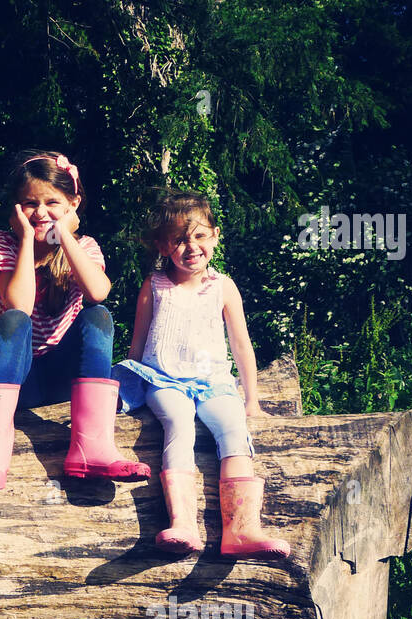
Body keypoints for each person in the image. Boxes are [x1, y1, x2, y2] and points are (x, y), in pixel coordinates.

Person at [116, 189, 290, 559]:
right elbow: (138, 342)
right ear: (163, 246)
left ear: (215, 236)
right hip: (163, 380)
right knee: (179, 421)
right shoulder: (154, 286)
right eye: (179, 239)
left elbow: (241, 345)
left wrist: (252, 401)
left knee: (232, 428)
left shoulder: (222, 287)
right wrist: (130, 389)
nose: (190, 246)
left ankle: (241, 530)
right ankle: (183, 523)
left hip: (215, 383)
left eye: (198, 235)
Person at [0, 150, 149, 490]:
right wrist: (26, 239)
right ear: (16, 209)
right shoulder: (4, 244)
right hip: (18, 380)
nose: (40, 213)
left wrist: (64, 236)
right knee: (12, 322)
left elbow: (98, 292)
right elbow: (18, 304)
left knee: (98, 316)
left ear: (73, 204)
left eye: (52, 202)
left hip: (64, 378)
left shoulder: (85, 246)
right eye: (29, 204)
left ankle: (92, 444)